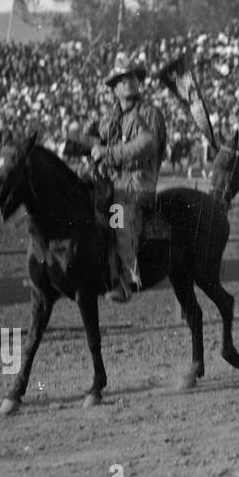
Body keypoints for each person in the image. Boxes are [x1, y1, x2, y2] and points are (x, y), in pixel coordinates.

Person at [91, 52, 168, 302]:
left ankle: (125, 279)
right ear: (114, 89)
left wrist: (109, 153)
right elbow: (98, 144)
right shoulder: (109, 119)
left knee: (119, 217)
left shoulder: (150, 113)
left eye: (133, 77)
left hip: (137, 185)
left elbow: (147, 146)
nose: (130, 81)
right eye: (123, 79)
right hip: (115, 182)